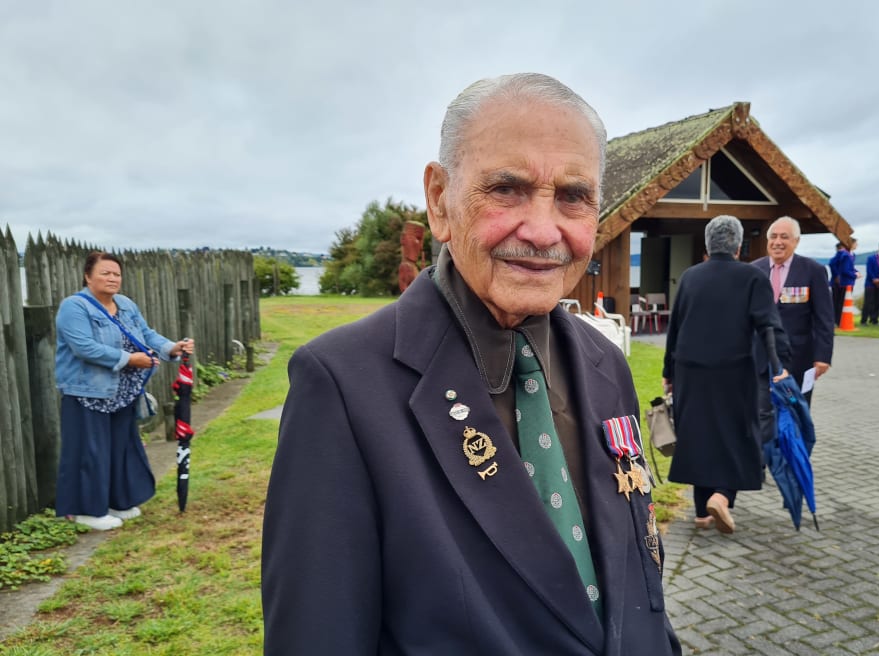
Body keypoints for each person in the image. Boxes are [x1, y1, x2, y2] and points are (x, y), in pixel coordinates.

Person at [261, 73, 681, 655]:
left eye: (573, 196)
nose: (542, 231)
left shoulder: (604, 364)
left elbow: (637, 573)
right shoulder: (341, 388)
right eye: (507, 189)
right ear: (440, 200)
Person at [662, 216, 788, 535]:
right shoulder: (752, 277)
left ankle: (701, 513)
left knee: (699, 435)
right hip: (734, 371)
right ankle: (721, 496)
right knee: (736, 434)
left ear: (707, 244)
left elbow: (674, 328)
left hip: (689, 370)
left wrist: (668, 372)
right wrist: (779, 365)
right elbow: (768, 324)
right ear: (738, 245)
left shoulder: (690, 277)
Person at [54, 251, 194, 531]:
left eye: (116, 273)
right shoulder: (74, 307)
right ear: (88, 276)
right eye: (105, 272)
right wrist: (130, 359)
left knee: (121, 449)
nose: (112, 278)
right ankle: (87, 511)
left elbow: (146, 333)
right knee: (89, 451)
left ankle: (118, 501)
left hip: (123, 391)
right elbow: (84, 347)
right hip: (87, 392)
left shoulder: (126, 304)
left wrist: (170, 348)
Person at [752, 216, 835, 405]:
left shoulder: (813, 270)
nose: (778, 242)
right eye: (773, 237)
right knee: (760, 411)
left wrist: (823, 356)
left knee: (795, 409)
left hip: (797, 358)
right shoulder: (754, 270)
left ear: (796, 241)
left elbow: (825, 317)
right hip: (758, 356)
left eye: (784, 237)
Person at [861, 241, 879, 325]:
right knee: (868, 302)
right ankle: (864, 320)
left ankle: (874, 319)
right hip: (870, 283)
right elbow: (869, 270)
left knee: (878, 302)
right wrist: (874, 279)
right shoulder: (871, 258)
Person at [829, 238, 857, 320]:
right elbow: (832, 264)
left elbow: (850, 267)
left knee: (842, 301)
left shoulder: (852, 254)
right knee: (837, 301)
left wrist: (856, 272)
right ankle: (835, 319)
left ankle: (840, 319)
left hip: (845, 281)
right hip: (838, 281)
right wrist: (837, 276)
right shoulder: (842, 253)